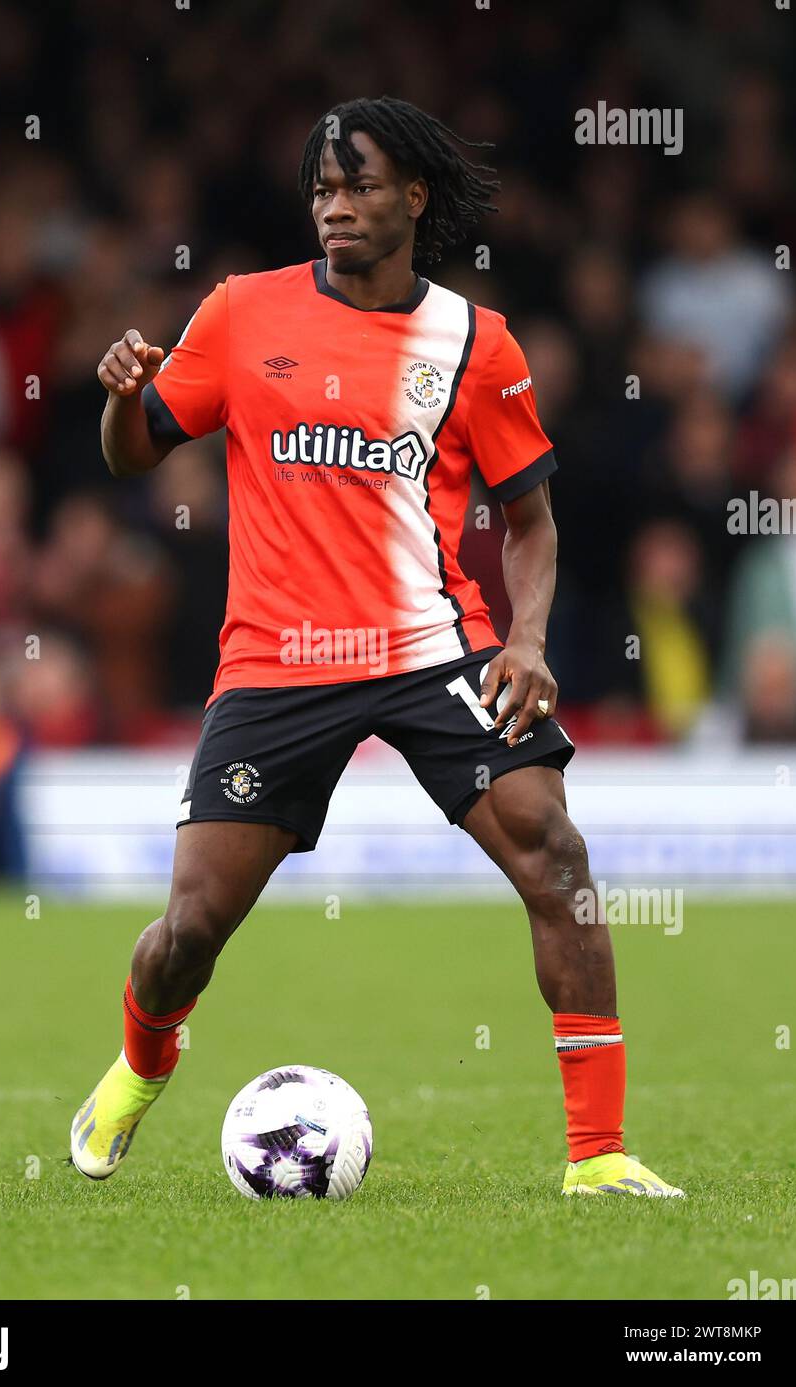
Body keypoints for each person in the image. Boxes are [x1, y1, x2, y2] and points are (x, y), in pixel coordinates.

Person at [72, 96, 683, 1198]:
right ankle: (138, 1067)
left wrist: (530, 639)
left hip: (431, 645)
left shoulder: (475, 342)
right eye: (320, 188)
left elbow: (533, 518)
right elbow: (132, 453)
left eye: (357, 185)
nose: (335, 205)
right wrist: (121, 399)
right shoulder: (242, 313)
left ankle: (599, 1158)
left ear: (414, 197)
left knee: (558, 857)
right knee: (190, 932)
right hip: (277, 659)